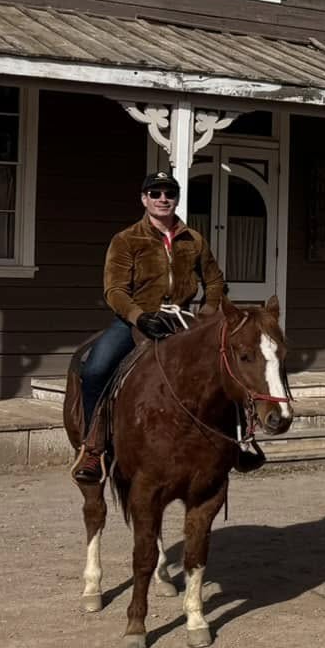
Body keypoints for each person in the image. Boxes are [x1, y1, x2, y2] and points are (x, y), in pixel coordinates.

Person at [71, 169, 229, 482]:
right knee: (96, 369)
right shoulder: (126, 239)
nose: (162, 199)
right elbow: (114, 289)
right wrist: (139, 316)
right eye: (155, 193)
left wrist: (208, 313)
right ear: (144, 199)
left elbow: (214, 280)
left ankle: (240, 443)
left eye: (169, 193)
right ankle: (93, 448)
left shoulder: (194, 240)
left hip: (182, 319)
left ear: (177, 199)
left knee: (226, 366)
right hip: (135, 319)